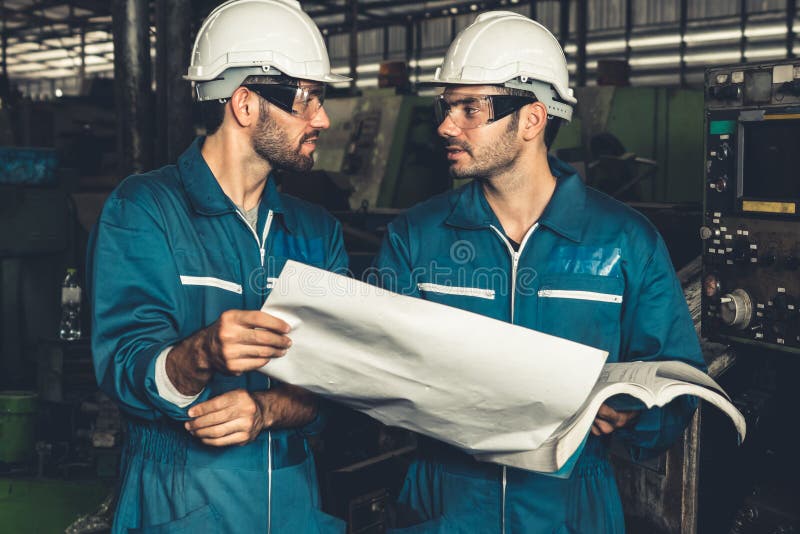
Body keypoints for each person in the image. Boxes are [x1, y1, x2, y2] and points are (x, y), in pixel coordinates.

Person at [371, 11, 706, 533]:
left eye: (469, 108)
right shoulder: (415, 236)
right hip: (445, 503)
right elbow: (371, 373)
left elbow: (679, 384)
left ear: (531, 118)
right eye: (446, 106)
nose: (444, 125)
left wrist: (634, 414)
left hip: (573, 505)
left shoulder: (624, 242)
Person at [88, 1, 350, 532]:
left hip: (295, 503)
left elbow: (338, 383)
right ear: (245, 104)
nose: (321, 118)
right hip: (180, 499)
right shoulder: (145, 210)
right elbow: (123, 365)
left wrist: (267, 411)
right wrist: (202, 350)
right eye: (307, 99)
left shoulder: (317, 230)